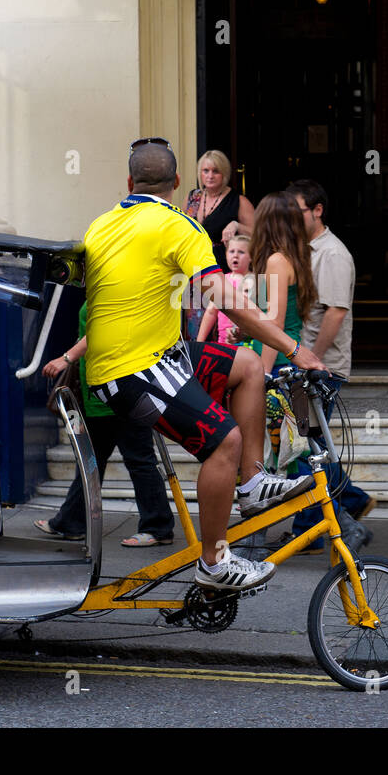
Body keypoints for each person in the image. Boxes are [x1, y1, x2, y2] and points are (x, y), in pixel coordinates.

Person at [82, 138, 325, 593]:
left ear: (129, 183)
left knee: (249, 366)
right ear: (178, 183)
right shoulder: (181, 226)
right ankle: (214, 563)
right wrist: (296, 349)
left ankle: (252, 483)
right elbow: (226, 300)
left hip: (146, 360)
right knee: (223, 442)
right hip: (133, 372)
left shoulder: (101, 224)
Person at [34, 302, 175, 547]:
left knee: (138, 460)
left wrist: (67, 358)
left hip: (122, 391)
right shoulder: (99, 287)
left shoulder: (115, 286)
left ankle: (158, 527)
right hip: (100, 395)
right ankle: (71, 521)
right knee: (92, 461)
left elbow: (105, 328)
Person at [284, 179, 373, 550]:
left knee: (306, 446)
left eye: (298, 210)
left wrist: (312, 360)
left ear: (317, 210)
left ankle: (324, 525)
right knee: (310, 444)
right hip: (309, 361)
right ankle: (346, 503)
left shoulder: (333, 254)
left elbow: (336, 312)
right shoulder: (302, 250)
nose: (291, 217)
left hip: (322, 366)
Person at [249, 191, 318, 375]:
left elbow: (275, 324)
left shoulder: (277, 261)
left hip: (277, 363)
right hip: (279, 357)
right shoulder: (292, 257)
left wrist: (264, 373)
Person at [185, 150, 254, 271]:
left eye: (215, 171)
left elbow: (257, 235)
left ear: (224, 173)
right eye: (206, 171)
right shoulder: (192, 197)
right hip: (193, 267)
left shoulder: (239, 201)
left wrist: (236, 225)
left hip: (224, 269)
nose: (210, 176)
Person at [197, 234, 260, 354]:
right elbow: (211, 312)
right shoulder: (222, 280)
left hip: (248, 342)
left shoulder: (253, 280)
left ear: (251, 256)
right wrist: (199, 342)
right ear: (225, 255)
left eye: (241, 252)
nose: (235, 255)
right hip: (223, 341)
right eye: (231, 251)